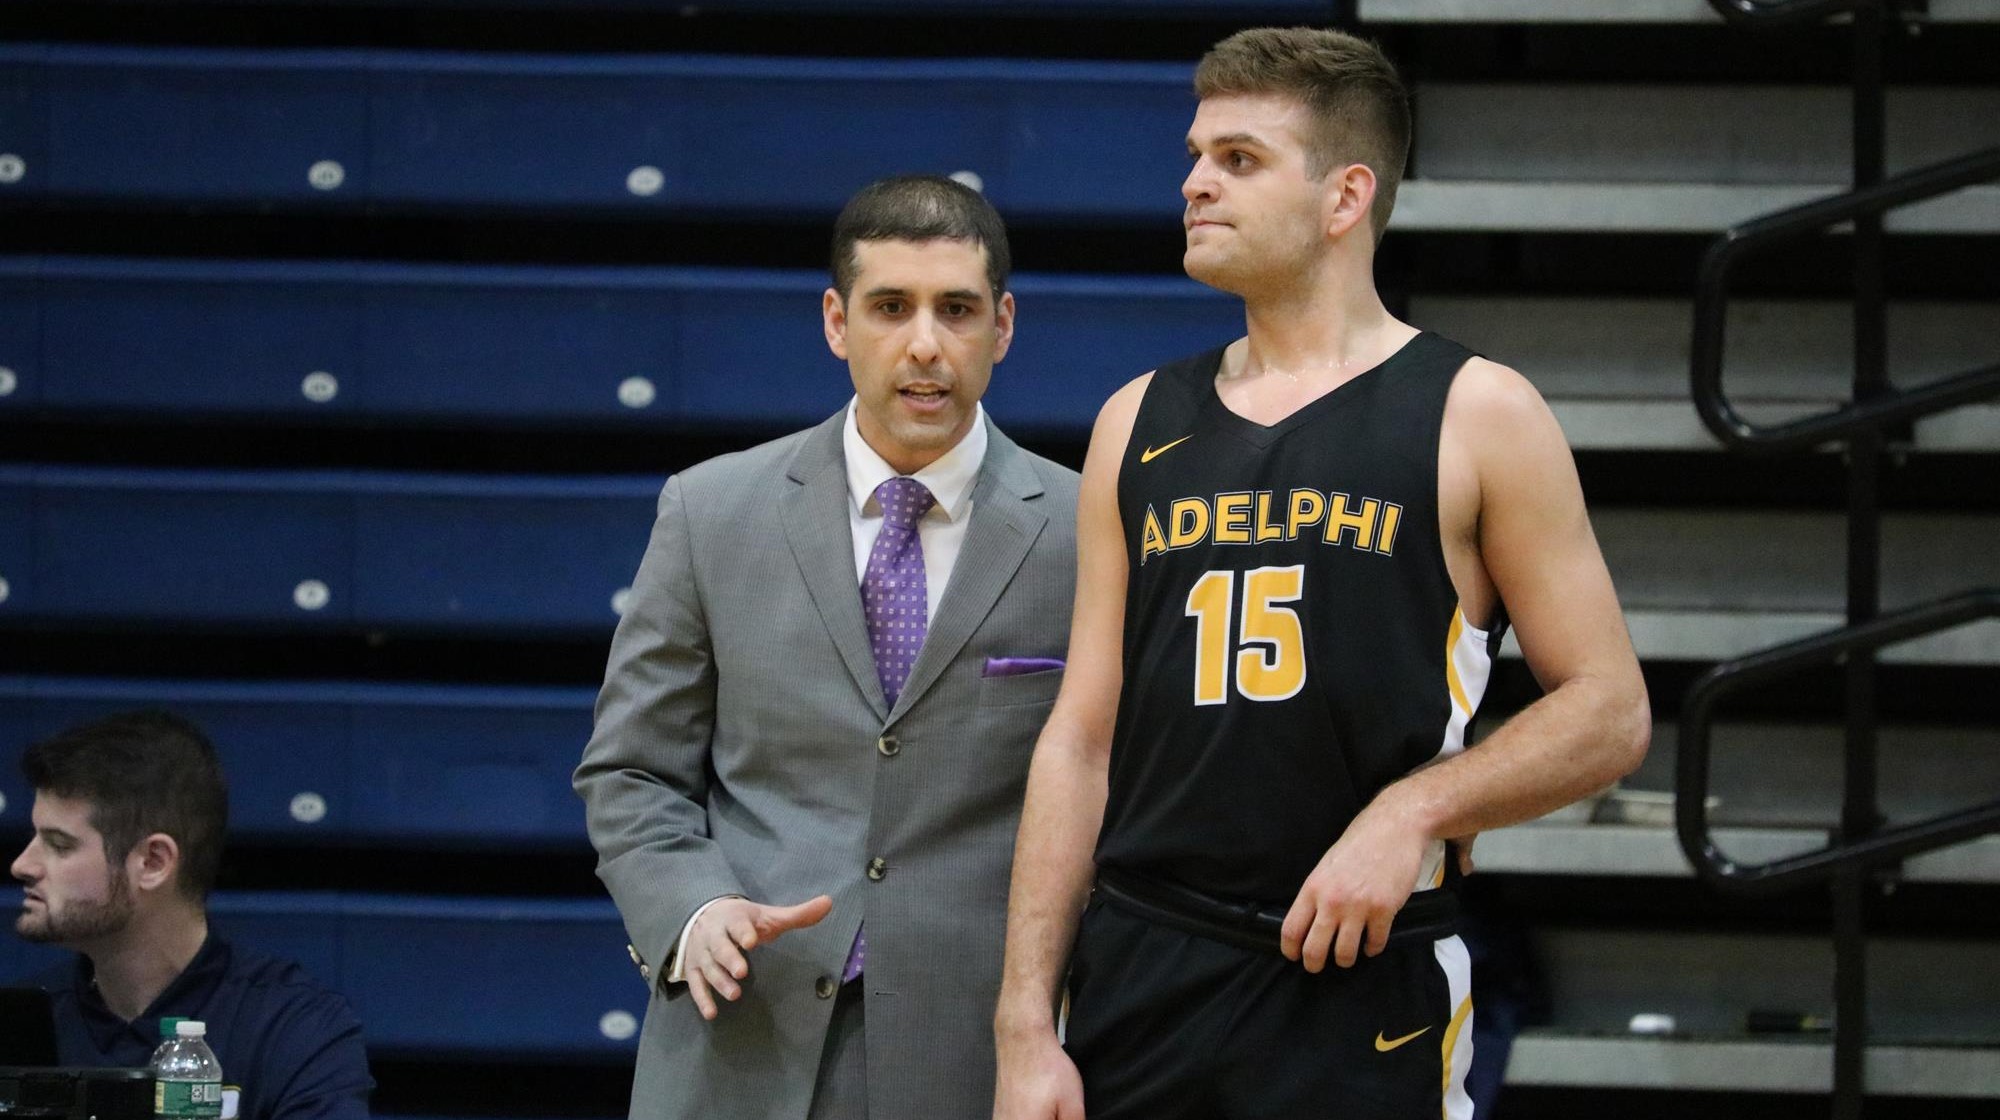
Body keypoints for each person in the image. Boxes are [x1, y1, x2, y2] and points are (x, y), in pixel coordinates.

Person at [992, 27, 1650, 1120]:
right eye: (1196, 155)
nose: (1194, 183)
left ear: (1344, 197)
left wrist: (1414, 811)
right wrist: (1023, 1022)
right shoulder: (1132, 421)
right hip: (1143, 972)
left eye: (1238, 159)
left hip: (1360, 981)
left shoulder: (1478, 411)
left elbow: (1609, 710)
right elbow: (1081, 737)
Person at [575, 174, 1079, 1120]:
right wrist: (691, 908)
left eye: (956, 310)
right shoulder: (711, 510)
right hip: (742, 1039)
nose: (924, 343)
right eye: (891, 307)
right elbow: (631, 771)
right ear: (836, 323)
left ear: (1002, 327)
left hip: (974, 1054)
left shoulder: (1088, 532)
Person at [11, 710, 372, 1120]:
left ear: (153, 862)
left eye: (59, 844)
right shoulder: (23, 1026)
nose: (22, 865)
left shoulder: (296, 1028)